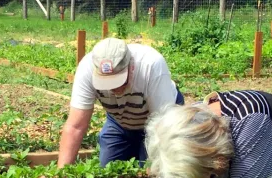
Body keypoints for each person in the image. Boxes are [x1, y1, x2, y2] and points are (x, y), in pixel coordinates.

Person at [56, 38, 184, 167]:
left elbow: (163, 129)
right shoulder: (86, 69)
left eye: (118, 81)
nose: (114, 89)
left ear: (131, 67)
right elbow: (76, 126)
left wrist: (157, 171)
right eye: (106, 82)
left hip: (160, 121)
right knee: (107, 172)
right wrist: (61, 175)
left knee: (152, 172)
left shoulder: (151, 65)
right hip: (119, 121)